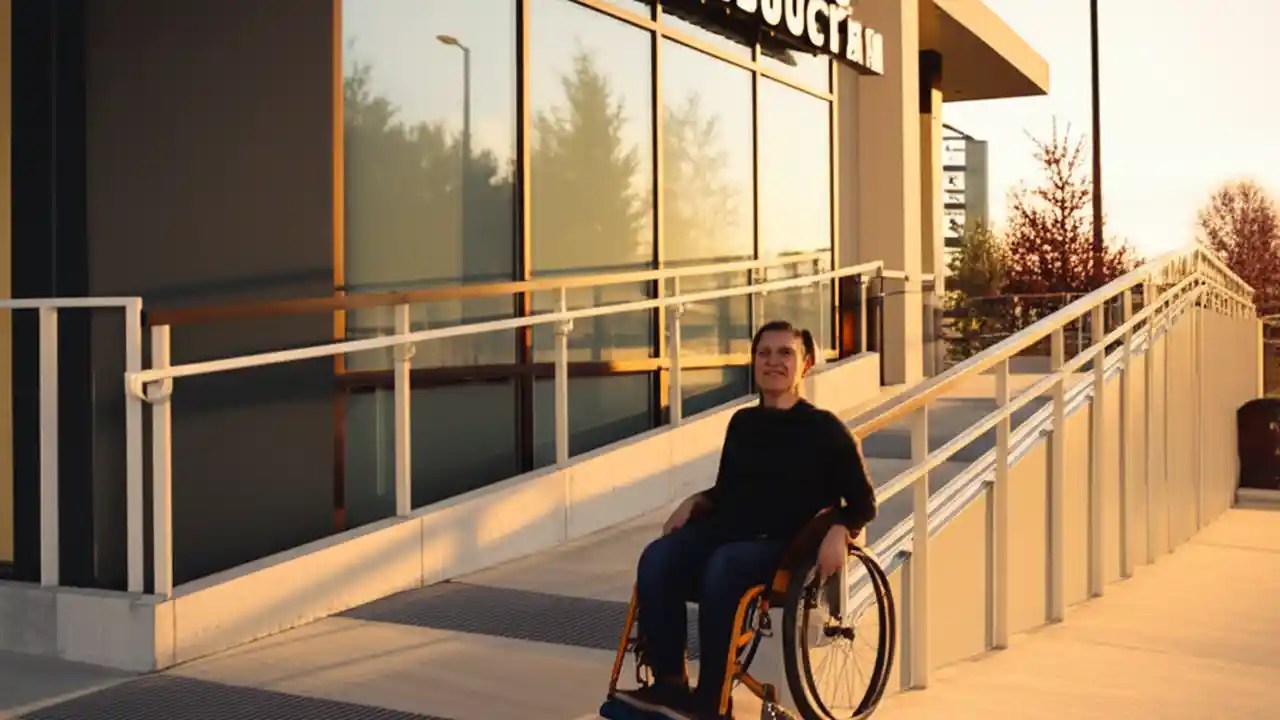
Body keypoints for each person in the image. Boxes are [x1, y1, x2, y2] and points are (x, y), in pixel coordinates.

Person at [611, 320, 877, 720]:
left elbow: (862, 502)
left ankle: (711, 703)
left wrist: (840, 528)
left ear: (804, 365)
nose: (773, 361)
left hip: (783, 546)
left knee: (725, 565)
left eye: (785, 353)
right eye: (764, 353)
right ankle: (670, 685)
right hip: (729, 532)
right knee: (658, 558)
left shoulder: (825, 430)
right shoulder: (742, 424)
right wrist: (696, 500)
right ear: (753, 363)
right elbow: (726, 492)